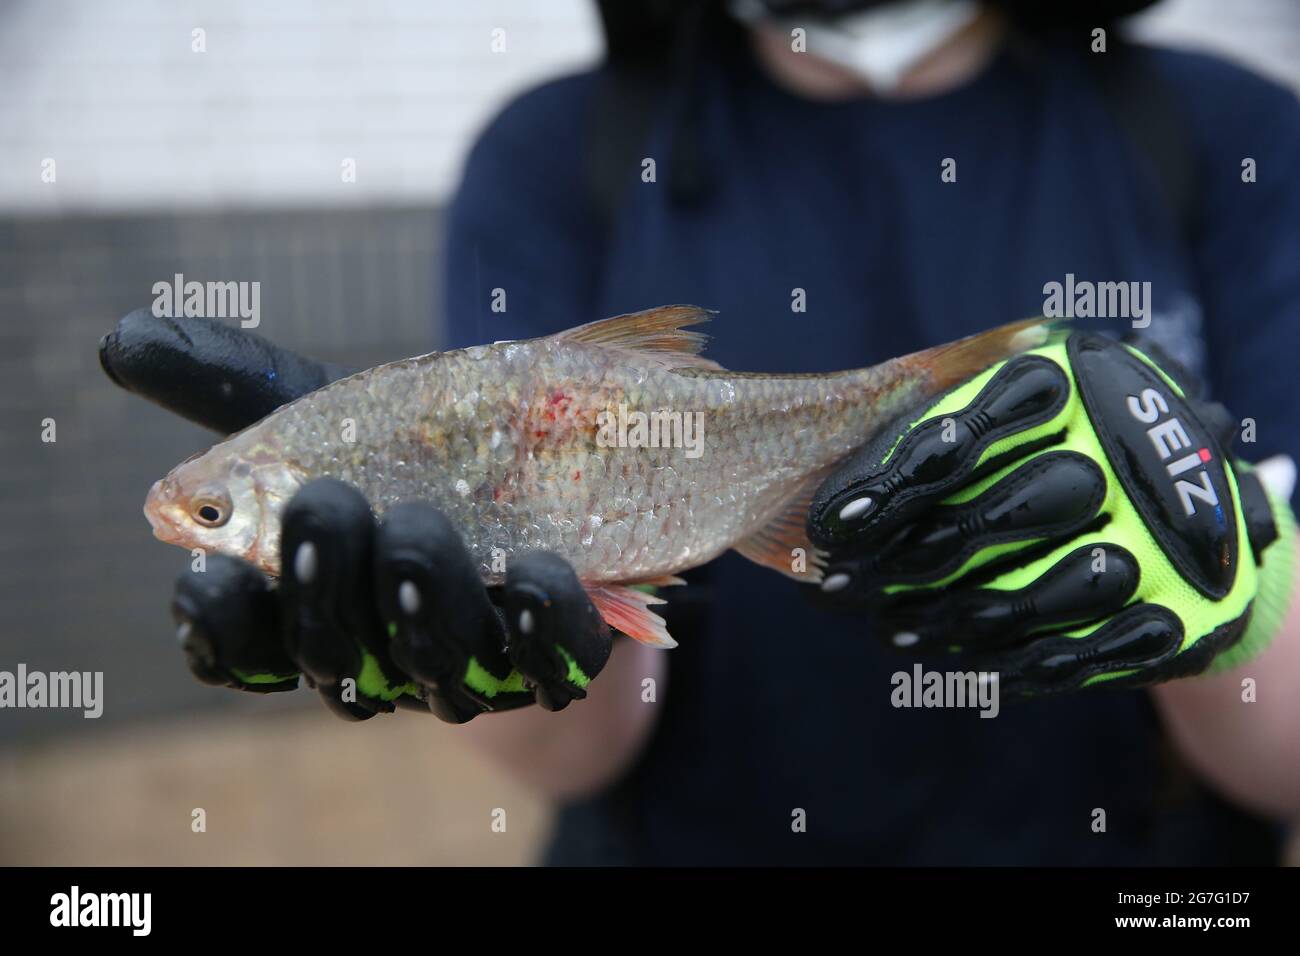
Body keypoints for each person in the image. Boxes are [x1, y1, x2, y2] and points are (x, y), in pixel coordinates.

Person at [100, 0, 1300, 864]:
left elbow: (1282, 764)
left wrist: (1220, 584)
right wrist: (488, 657)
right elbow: (582, 750)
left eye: (211, 511)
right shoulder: (554, 151)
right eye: (214, 515)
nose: (199, 526)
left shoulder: (1223, 131)